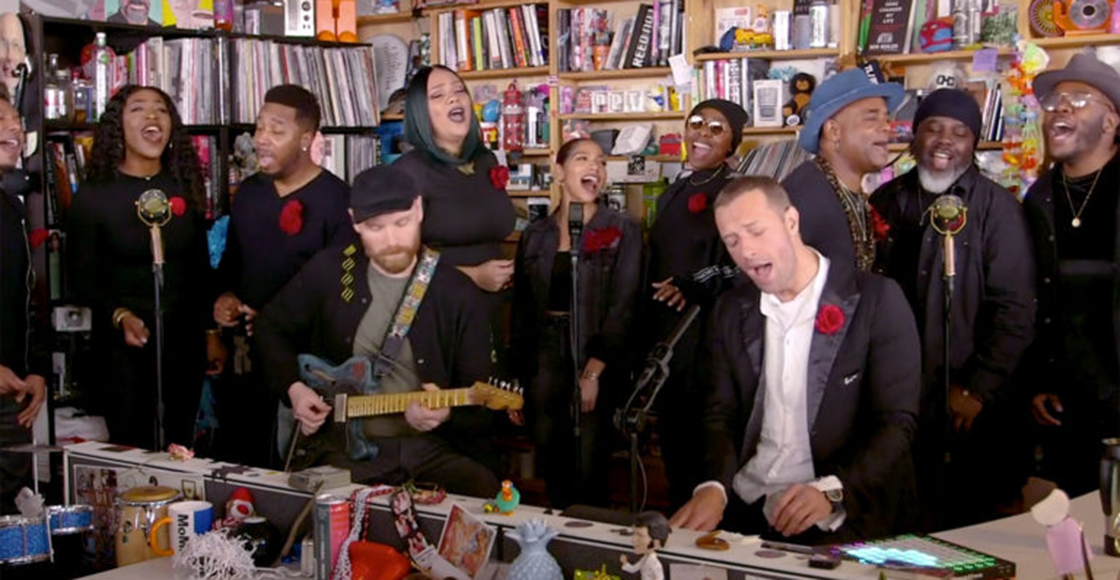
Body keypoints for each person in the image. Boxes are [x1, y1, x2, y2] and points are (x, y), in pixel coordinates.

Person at [670, 176, 921, 543]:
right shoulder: (730, 309)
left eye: (756, 231)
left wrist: (832, 489)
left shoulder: (876, 300)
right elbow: (718, 413)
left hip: (839, 516)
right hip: (747, 509)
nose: (746, 251)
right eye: (732, 241)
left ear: (791, 221)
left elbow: (896, 425)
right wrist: (714, 486)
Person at [255, 164, 500, 497]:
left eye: (401, 223)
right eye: (375, 227)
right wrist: (295, 390)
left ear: (418, 209)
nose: (392, 240)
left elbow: (483, 401)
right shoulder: (331, 270)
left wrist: (445, 416)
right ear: (354, 220)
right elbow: (270, 329)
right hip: (342, 449)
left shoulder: (456, 292)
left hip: (428, 448)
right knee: (318, 508)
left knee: (482, 493)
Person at [869, 89, 1036, 529]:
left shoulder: (997, 208)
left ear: (974, 143)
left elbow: (1015, 309)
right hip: (897, 398)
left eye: (960, 132)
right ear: (915, 135)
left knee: (968, 525)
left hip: (969, 404)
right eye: (933, 128)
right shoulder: (887, 201)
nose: (945, 140)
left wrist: (977, 388)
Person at [68, 85, 213, 450]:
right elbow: (81, 277)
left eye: (161, 110)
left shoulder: (184, 185)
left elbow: (199, 269)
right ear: (119, 125)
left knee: (181, 443)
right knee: (132, 447)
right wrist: (119, 316)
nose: (152, 116)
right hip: (122, 350)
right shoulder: (95, 195)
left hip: (184, 344)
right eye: (139, 109)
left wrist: (210, 334)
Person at [213, 84, 350, 467]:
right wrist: (224, 297)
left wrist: (276, 320)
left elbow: (345, 294)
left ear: (306, 139)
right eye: (259, 129)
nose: (261, 139)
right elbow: (233, 265)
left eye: (276, 130)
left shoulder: (338, 201)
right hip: (246, 363)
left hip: (309, 365)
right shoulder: (250, 194)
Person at [512, 138, 641, 508]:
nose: (594, 168)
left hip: (594, 352)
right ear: (559, 171)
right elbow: (522, 311)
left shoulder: (622, 230)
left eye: (601, 162)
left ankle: (590, 552)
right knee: (552, 461)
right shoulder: (535, 235)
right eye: (583, 159)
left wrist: (593, 373)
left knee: (589, 464)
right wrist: (517, 381)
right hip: (543, 359)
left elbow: (624, 306)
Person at [1024, 52, 1120, 495]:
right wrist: (1039, 380)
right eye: (1055, 101)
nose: (1061, 107)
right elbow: (1033, 298)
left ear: (1111, 122)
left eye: (1080, 99)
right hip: (1067, 407)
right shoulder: (1039, 199)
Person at [643, 98, 746, 509]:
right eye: (696, 123)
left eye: (715, 128)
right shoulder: (675, 190)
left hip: (712, 333)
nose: (702, 133)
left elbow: (743, 267)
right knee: (673, 439)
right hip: (668, 335)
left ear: (733, 143)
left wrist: (694, 283)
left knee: (708, 437)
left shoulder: (735, 192)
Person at [393, 66, 516, 295]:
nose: (454, 98)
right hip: (441, 304)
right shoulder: (409, 172)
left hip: (492, 307)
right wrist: (474, 276)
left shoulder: (485, 160)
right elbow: (395, 259)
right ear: (420, 113)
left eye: (459, 90)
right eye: (438, 95)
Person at [782, 68, 903, 270]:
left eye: (886, 118)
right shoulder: (803, 199)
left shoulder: (846, 191)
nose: (887, 127)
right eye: (872, 118)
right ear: (833, 131)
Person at [0, 87, 45, 511]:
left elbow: (20, 302)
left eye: (15, 120)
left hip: (12, 397)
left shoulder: (10, 208)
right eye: (1, 121)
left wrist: (35, 370)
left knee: (13, 518)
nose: (14, 128)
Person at [619, 511, 669, 580]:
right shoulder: (645, 558)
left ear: (656, 543)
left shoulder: (655, 564)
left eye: (640, 535)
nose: (633, 540)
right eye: (634, 534)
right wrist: (625, 562)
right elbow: (633, 569)